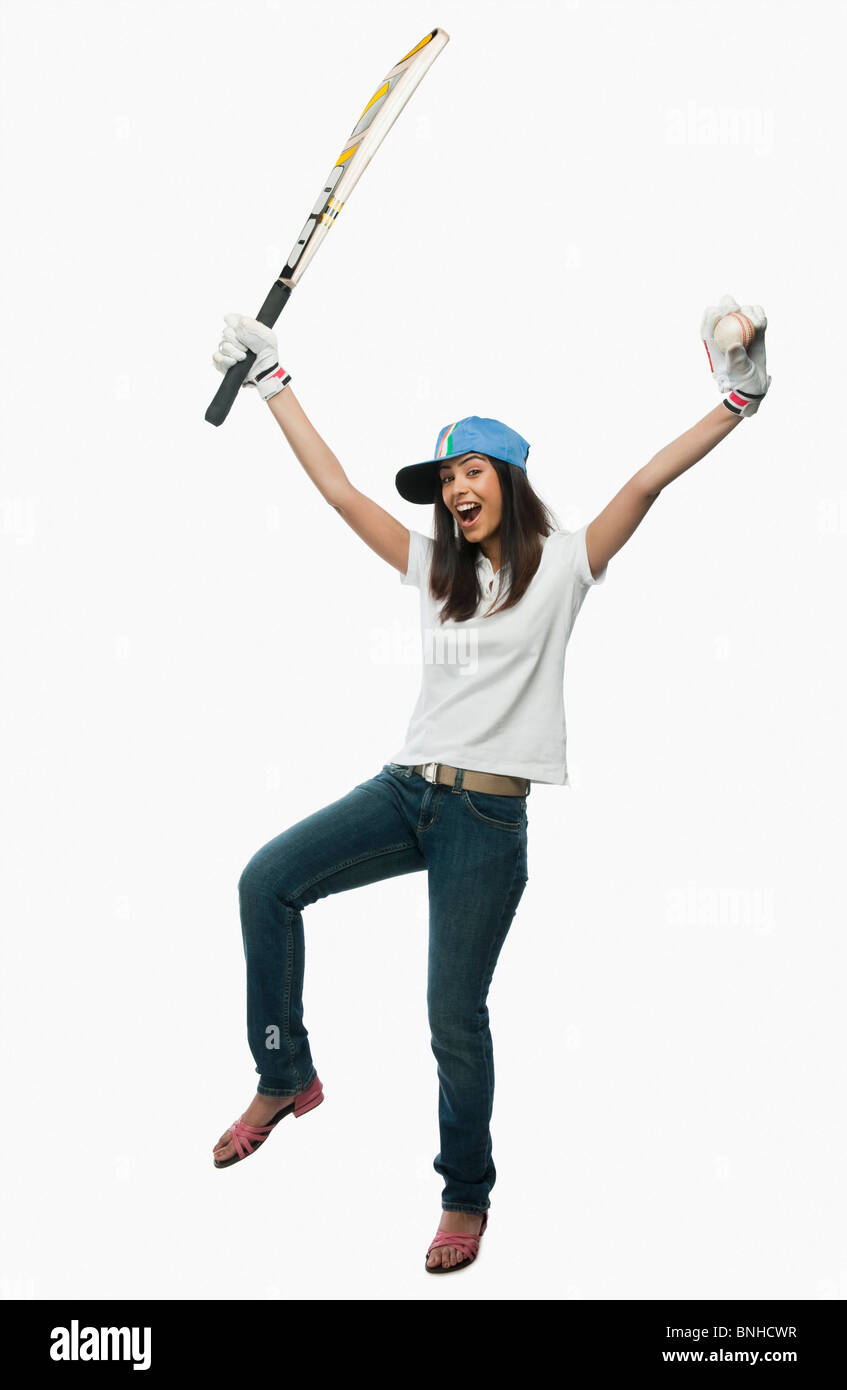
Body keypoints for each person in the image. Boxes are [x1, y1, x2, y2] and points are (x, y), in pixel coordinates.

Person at [209, 295, 770, 1272]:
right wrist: (271, 381)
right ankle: (284, 1071)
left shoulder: (562, 568)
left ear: (505, 480)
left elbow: (645, 482)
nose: (455, 489)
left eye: (470, 471)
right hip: (403, 791)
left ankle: (464, 1195)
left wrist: (737, 398)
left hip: (484, 822)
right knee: (267, 880)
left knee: (451, 1017)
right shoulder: (434, 571)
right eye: (445, 480)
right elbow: (343, 494)